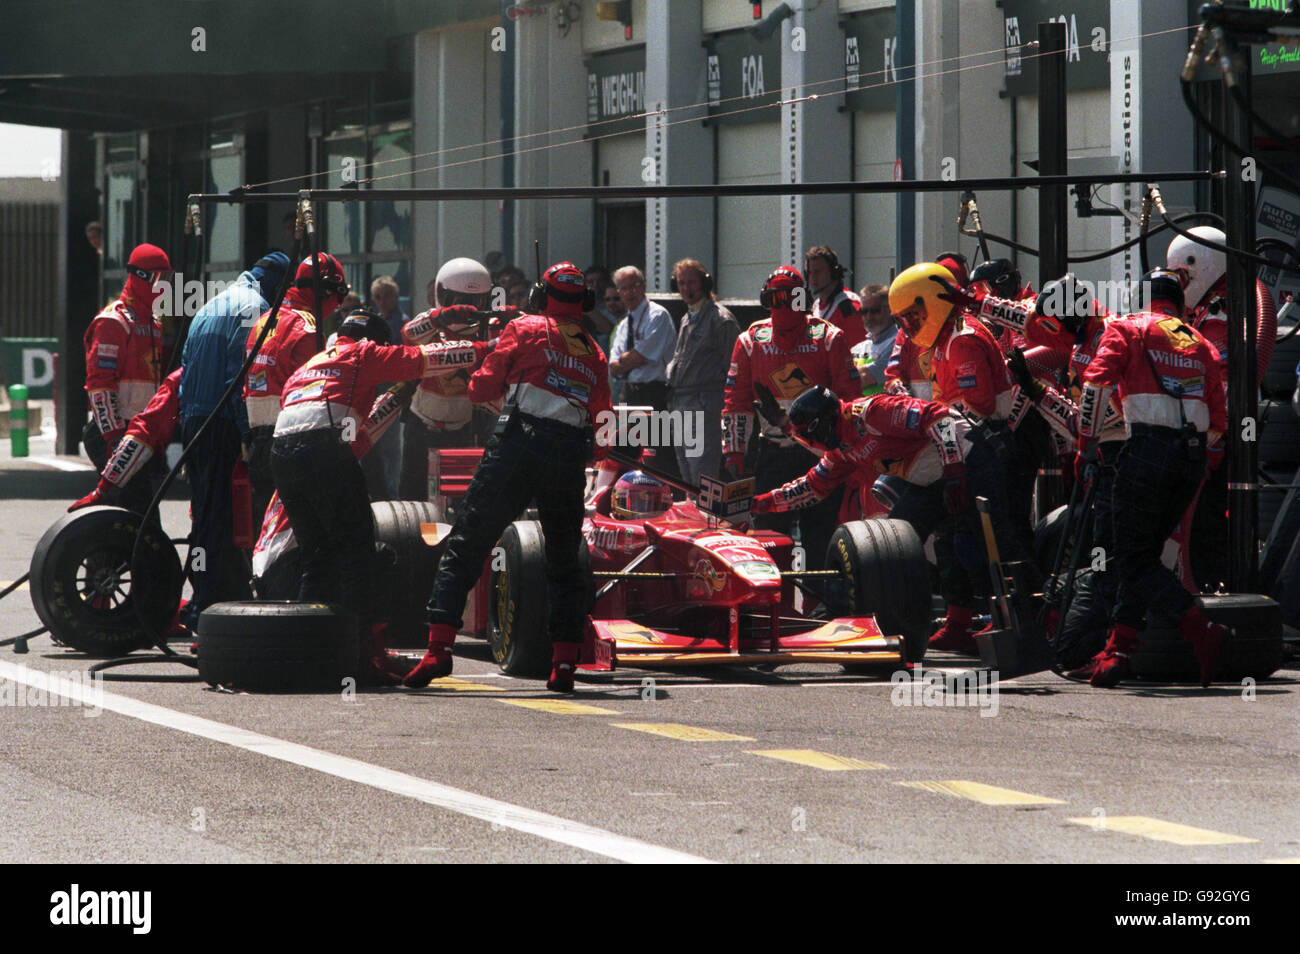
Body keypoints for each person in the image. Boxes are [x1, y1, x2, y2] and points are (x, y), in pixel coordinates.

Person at [404, 261, 612, 693]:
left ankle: (438, 649)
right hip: (568, 456)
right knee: (563, 561)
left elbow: (481, 389)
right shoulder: (595, 352)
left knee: (467, 542)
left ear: (540, 295)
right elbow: (605, 436)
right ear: (584, 303)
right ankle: (564, 665)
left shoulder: (525, 330)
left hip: (518, 446)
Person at [271, 310, 487, 684]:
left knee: (317, 558)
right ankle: (358, 661)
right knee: (361, 558)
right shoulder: (364, 353)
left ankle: (306, 653)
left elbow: (351, 432)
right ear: (374, 340)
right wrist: (492, 347)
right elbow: (429, 359)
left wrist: (395, 396)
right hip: (324, 447)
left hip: (281, 452)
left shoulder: (309, 365)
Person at [1067, 269, 1227, 689]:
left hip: (1145, 455)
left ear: (1143, 298)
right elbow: (1219, 423)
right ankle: (1117, 652)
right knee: (1144, 557)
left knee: (1130, 559)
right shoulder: (1202, 343)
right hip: (1190, 461)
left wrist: (1086, 444)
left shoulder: (1127, 326)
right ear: (1180, 303)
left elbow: (1094, 386)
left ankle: (1202, 631)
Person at [888, 261, 1034, 651]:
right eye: (904, 320)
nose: (910, 327)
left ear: (935, 304)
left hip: (992, 449)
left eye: (914, 316)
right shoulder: (946, 337)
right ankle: (959, 620)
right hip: (968, 448)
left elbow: (981, 404)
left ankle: (1017, 619)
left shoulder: (963, 339)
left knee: (991, 538)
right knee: (952, 537)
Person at [178, 250, 291, 625]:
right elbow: (239, 376)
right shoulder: (257, 309)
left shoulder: (211, 305)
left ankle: (200, 595)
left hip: (195, 420)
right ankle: (212, 603)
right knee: (228, 519)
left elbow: (185, 370)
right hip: (224, 423)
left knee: (203, 516)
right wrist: (250, 434)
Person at [722, 265, 859, 569]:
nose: (784, 306)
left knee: (821, 537)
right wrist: (733, 451)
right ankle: (770, 602)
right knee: (768, 539)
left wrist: (845, 454)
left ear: (804, 299)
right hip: (772, 454)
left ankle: (822, 604)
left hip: (821, 455)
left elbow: (850, 402)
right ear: (765, 301)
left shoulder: (829, 337)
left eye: (791, 298)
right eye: (776, 299)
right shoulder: (750, 341)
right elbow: (736, 403)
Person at [244, 253, 349, 521]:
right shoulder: (308, 331)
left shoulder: (264, 320)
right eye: (340, 295)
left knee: (263, 525)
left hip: (257, 441)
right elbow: (316, 398)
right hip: (291, 444)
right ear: (325, 291)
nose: (339, 305)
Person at [398, 257, 495, 500]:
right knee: (412, 495)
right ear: (444, 296)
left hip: (463, 429)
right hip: (421, 426)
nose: (469, 308)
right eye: (460, 301)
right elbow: (407, 334)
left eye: (476, 301)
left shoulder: (489, 330)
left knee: (461, 496)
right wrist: (442, 317)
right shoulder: (428, 323)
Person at [83, 243, 170, 473]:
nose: (165, 286)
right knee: (129, 505)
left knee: (143, 507)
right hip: (115, 432)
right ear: (145, 277)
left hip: (139, 431)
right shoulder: (113, 321)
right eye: (161, 278)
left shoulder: (154, 323)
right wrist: (113, 437)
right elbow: (100, 384)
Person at [666, 258, 738, 486]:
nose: (686, 288)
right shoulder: (686, 319)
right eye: (681, 283)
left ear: (705, 283)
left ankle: (706, 520)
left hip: (704, 404)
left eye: (692, 282)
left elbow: (733, 368)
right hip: (680, 403)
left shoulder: (721, 319)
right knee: (685, 476)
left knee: (702, 475)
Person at [608, 265, 677, 472]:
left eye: (634, 286)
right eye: (624, 288)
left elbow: (641, 356)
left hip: (655, 393)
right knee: (628, 455)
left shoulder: (658, 316)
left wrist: (628, 358)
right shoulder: (623, 325)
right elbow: (613, 367)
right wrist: (630, 358)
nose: (629, 292)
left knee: (657, 455)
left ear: (644, 286)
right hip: (630, 394)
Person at [366, 275, 408, 499]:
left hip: (394, 391)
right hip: (375, 390)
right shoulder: (374, 322)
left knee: (392, 449)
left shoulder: (402, 323)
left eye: (386, 296)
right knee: (376, 448)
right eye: (377, 297)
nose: (382, 301)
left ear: (395, 296)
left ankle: (393, 496)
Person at [806, 245, 865, 349]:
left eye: (818, 272)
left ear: (834, 272)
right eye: (810, 272)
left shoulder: (849, 306)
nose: (812, 278)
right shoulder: (816, 305)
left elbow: (858, 351)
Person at [851, 283, 895, 395]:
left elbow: (866, 378)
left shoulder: (898, 343)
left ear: (890, 310)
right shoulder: (858, 348)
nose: (869, 317)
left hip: (884, 410)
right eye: (864, 311)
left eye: (875, 310)